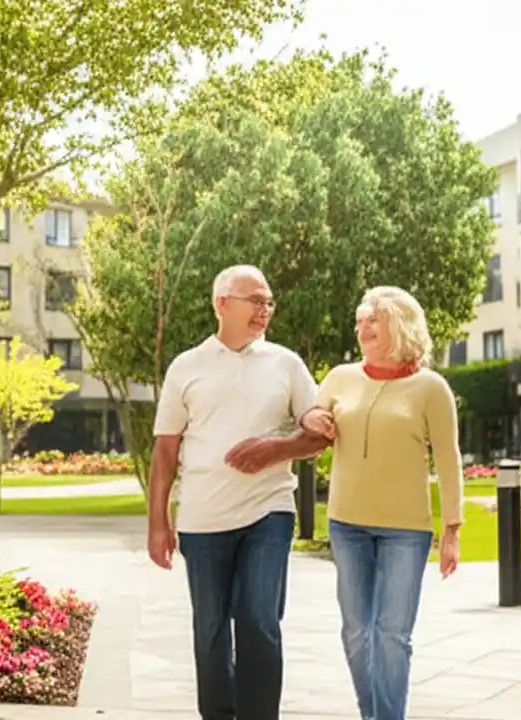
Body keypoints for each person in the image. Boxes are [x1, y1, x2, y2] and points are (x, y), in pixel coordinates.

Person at [148, 264, 331, 720]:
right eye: (256, 300)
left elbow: (320, 432)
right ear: (222, 303)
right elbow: (166, 452)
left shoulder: (287, 364)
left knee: (257, 620)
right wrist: (158, 523)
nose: (264, 310)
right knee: (209, 630)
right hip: (202, 520)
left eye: (269, 302)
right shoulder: (186, 367)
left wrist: (277, 447)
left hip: (268, 511)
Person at [298, 285, 463, 720]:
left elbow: (448, 459)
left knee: (392, 633)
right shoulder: (340, 377)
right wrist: (309, 416)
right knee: (356, 631)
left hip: (405, 530)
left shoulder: (431, 388)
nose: (362, 328)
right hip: (346, 524)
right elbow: (311, 417)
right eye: (359, 321)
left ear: (400, 324)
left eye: (373, 319)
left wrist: (452, 530)